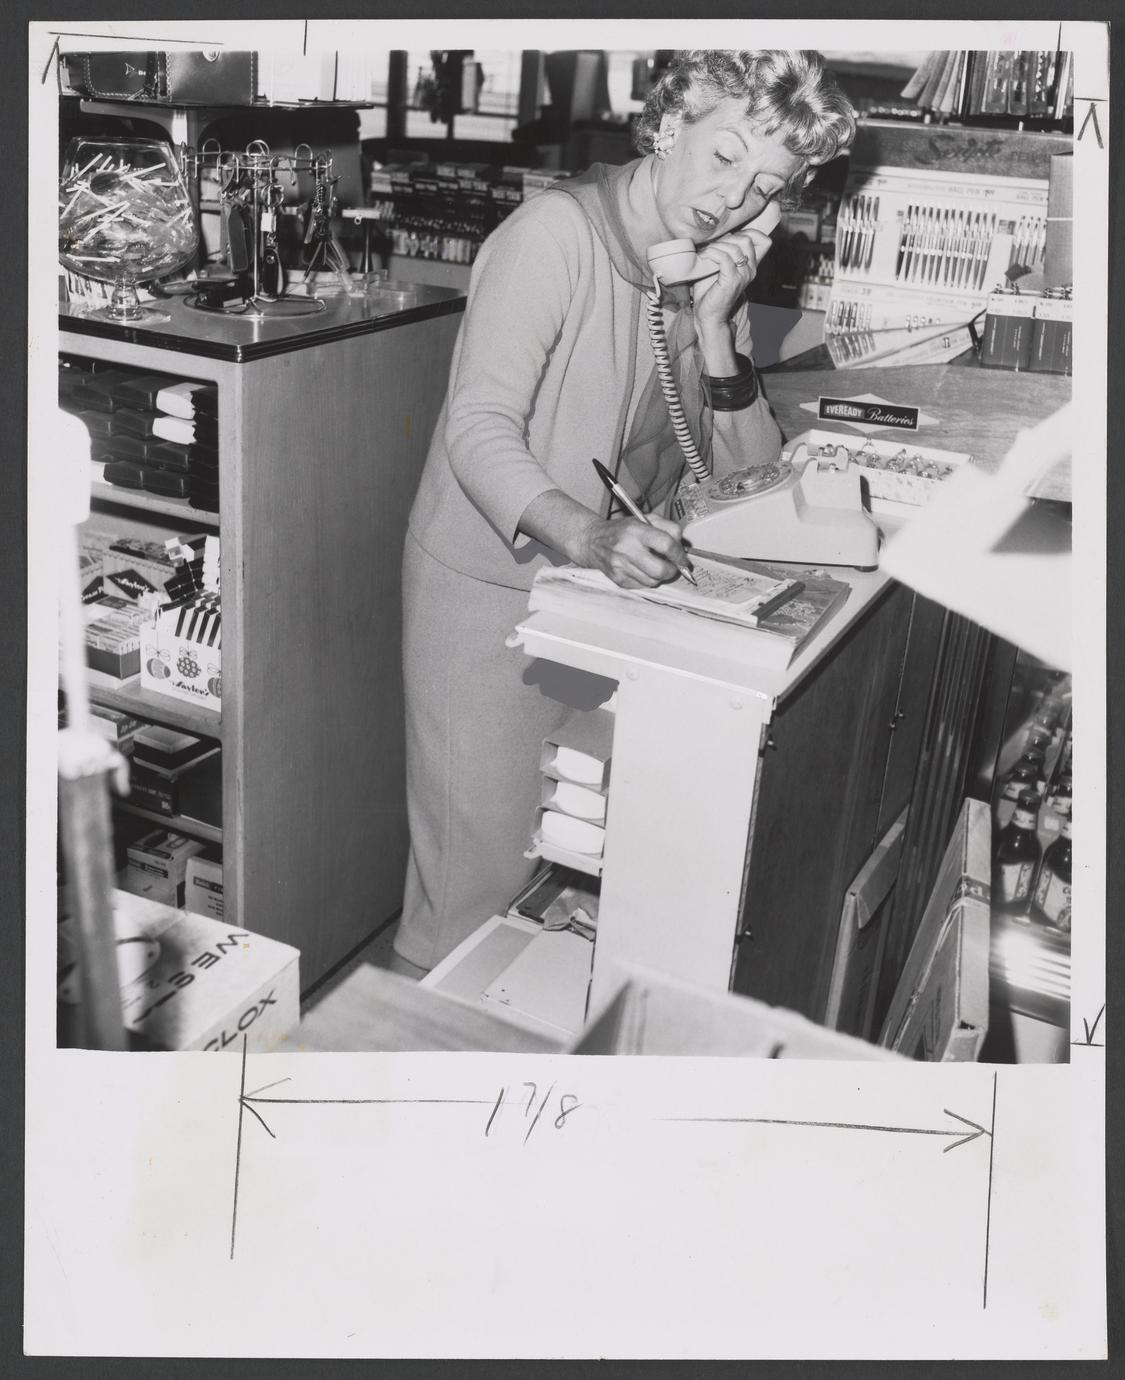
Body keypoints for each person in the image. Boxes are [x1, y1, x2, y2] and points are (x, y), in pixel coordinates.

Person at [392, 49, 857, 976]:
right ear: (672, 123)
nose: (731, 199)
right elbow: (477, 428)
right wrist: (586, 533)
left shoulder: (701, 269)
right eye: (724, 156)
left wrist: (716, 328)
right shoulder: (550, 236)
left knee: (569, 853)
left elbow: (749, 480)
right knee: (470, 882)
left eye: (763, 187)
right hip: (496, 589)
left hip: (608, 597)